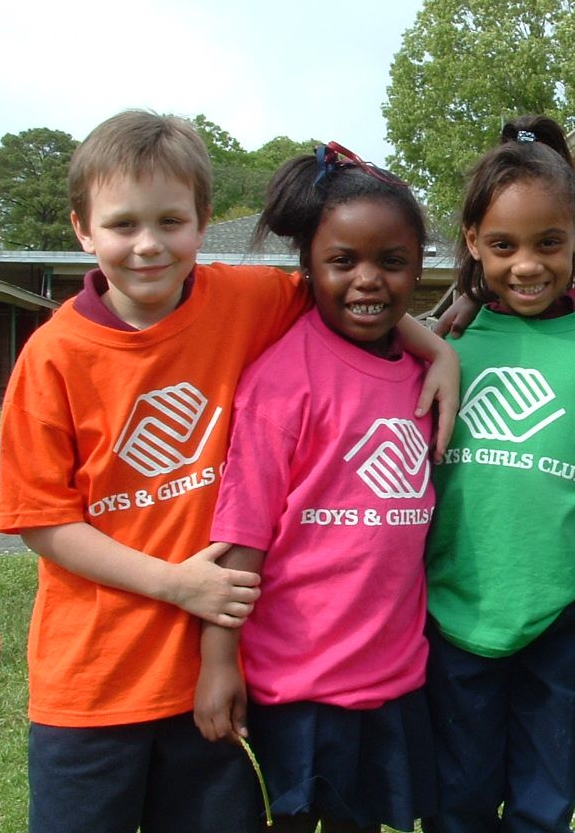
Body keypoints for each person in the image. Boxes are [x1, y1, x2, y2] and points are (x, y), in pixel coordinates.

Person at [0, 112, 457, 833]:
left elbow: (350, 291)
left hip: (208, 678)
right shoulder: (52, 357)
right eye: (122, 225)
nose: (149, 245)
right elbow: (43, 523)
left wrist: (438, 350)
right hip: (93, 681)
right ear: (83, 229)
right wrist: (175, 583)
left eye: (170, 221)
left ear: (203, 220)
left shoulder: (245, 299)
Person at [193, 143, 439, 833]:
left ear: (419, 268)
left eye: (392, 261)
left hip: (391, 678)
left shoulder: (426, 378)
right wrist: (218, 662)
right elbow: (241, 537)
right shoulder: (282, 381)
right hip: (294, 685)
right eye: (343, 261)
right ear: (308, 267)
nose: (368, 280)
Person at [422, 129, 575, 833]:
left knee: (543, 806)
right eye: (503, 245)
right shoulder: (443, 344)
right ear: (472, 241)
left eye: (548, 243)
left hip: (568, 616)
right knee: (455, 805)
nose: (526, 264)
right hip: (454, 610)